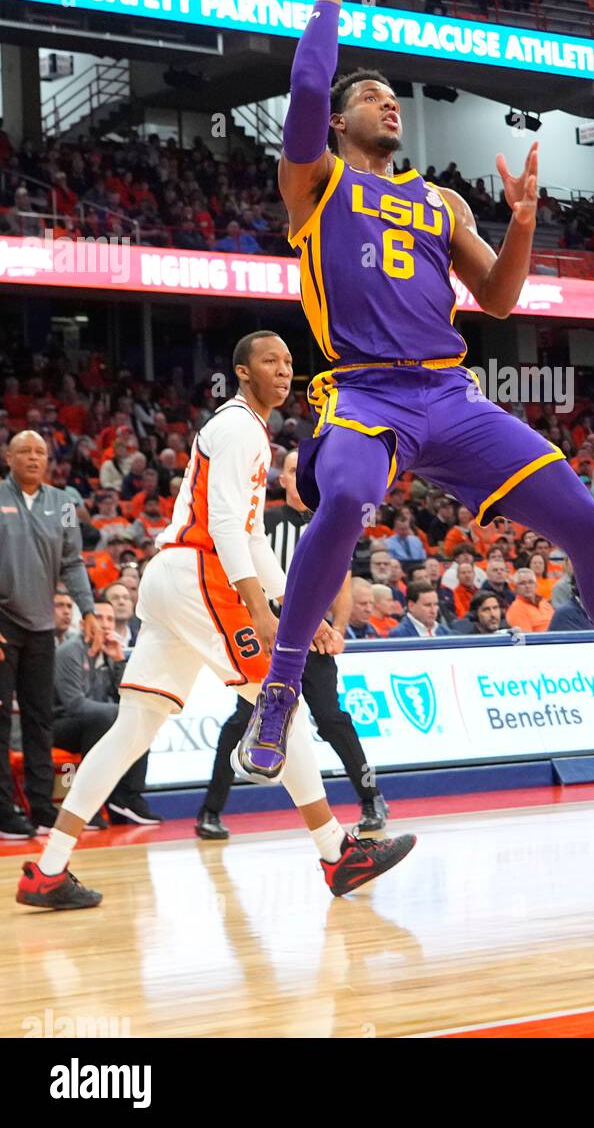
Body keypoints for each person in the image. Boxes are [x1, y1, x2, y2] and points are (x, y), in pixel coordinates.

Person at [234, 0, 594, 787]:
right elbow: (306, 94)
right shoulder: (315, 184)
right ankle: (278, 692)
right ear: (341, 123)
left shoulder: (441, 205)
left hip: (449, 398)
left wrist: (526, 220)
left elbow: (498, 297)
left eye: (392, 100)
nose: (388, 105)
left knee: (589, 525)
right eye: (371, 99)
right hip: (361, 393)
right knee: (342, 498)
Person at [17, 332, 415, 910]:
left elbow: (252, 536)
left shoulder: (250, 429)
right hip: (199, 570)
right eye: (269, 362)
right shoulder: (237, 427)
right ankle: (336, 852)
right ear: (243, 372)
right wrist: (261, 609)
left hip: (173, 576)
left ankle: (48, 869)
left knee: (135, 726)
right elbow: (228, 528)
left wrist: (294, 606)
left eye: (287, 363)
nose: (283, 371)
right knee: (280, 702)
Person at [196, 446, 389, 841]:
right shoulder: (261, 524)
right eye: (291, 470)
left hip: (313, 640)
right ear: (281, 479)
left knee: (332, 720)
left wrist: (336, 628)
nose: (298, 476)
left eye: (305, 470)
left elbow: (342, 584)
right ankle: (209, 813)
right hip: (267, 637)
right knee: (240, 723)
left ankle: (372, 800)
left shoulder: (329, 524)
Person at [0, 431, 102, 840]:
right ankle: (5, 811)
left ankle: (42, 807)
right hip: (4, 623)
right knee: (2, 721)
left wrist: (90, 610)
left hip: (41, 625)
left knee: (41, 720)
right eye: (24, 451)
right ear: (8, 457)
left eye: (40, 452)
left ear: (49, 460)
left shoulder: (62, 504)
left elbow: (73, 563)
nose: (32, 457)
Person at [53, 598, 159, 826]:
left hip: (97, 722)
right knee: (108, 717)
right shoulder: (69, 651)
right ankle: (85, 808)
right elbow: (73, 704)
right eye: (99, 617)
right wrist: (119, 712)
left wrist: (120, 661)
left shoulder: (110, 651)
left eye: (110, 619)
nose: (106, 624)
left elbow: (127, 696)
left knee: (142, 716)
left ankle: (127, 797)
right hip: (60, 724)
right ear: (84, 624)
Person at [387, 579, 451, 638]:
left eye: (435, 604)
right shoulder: (399, 634)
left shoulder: (444, 632)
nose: (433, 610)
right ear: (411, 606)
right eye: (427, 605)